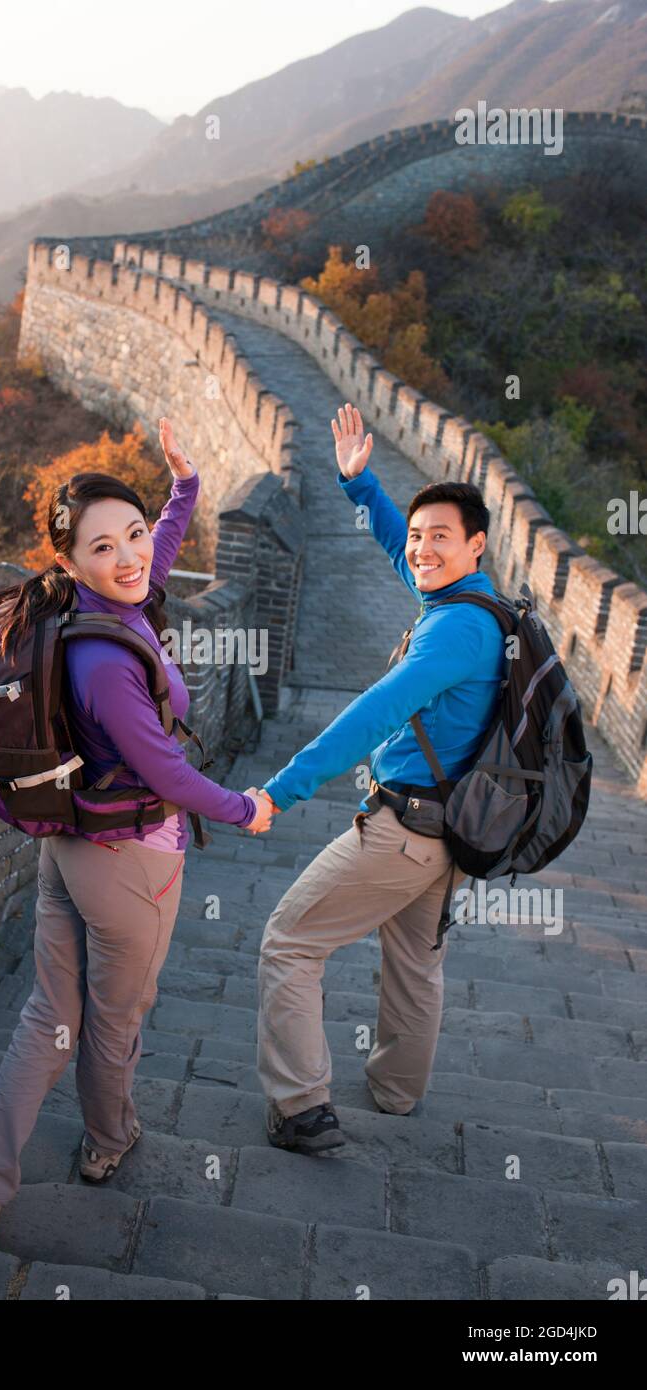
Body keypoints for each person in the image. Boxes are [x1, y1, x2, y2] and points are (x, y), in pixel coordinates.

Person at [0, 418, 273, 1246]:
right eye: (105, 547)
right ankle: (106, 1144)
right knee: (113, 1020)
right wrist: (244, 808)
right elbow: (167, 773)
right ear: (68, 561)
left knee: (46, 1020)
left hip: (66, 848)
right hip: (132, 865)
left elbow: (154, 561)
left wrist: (184, 490)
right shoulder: (106, 663)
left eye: (132, 535)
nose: (130, 557)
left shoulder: (81, 610)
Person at [253, 402, 507, 1154]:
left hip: (401, 834)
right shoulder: (476, 603)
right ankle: (397, 1093)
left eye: (441, 538)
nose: (423, 550)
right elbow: (407, 557)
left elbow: (372, 715)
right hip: (451, 832)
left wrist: (280, 790)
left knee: (289, 943)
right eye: (422, 536)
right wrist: (362, 487)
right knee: (414, 968)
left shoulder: (455, 630)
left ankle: (301, 1107)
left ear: (478, 544)